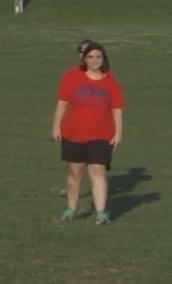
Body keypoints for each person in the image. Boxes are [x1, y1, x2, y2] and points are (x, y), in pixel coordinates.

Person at [51, 42, 124, 224]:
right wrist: (56, 125)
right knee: (75, 173)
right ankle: (71, 208)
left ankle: (101, 213)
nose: (95, 60)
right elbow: (63, 102)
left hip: (101, 134)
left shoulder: (110, 81)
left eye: (98, 57)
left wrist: (119, 131)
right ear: (84, 59)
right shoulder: (72, 77)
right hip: (74, 133)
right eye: (91, 57)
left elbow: (117, 108)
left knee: (97, 170)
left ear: (103, 59)